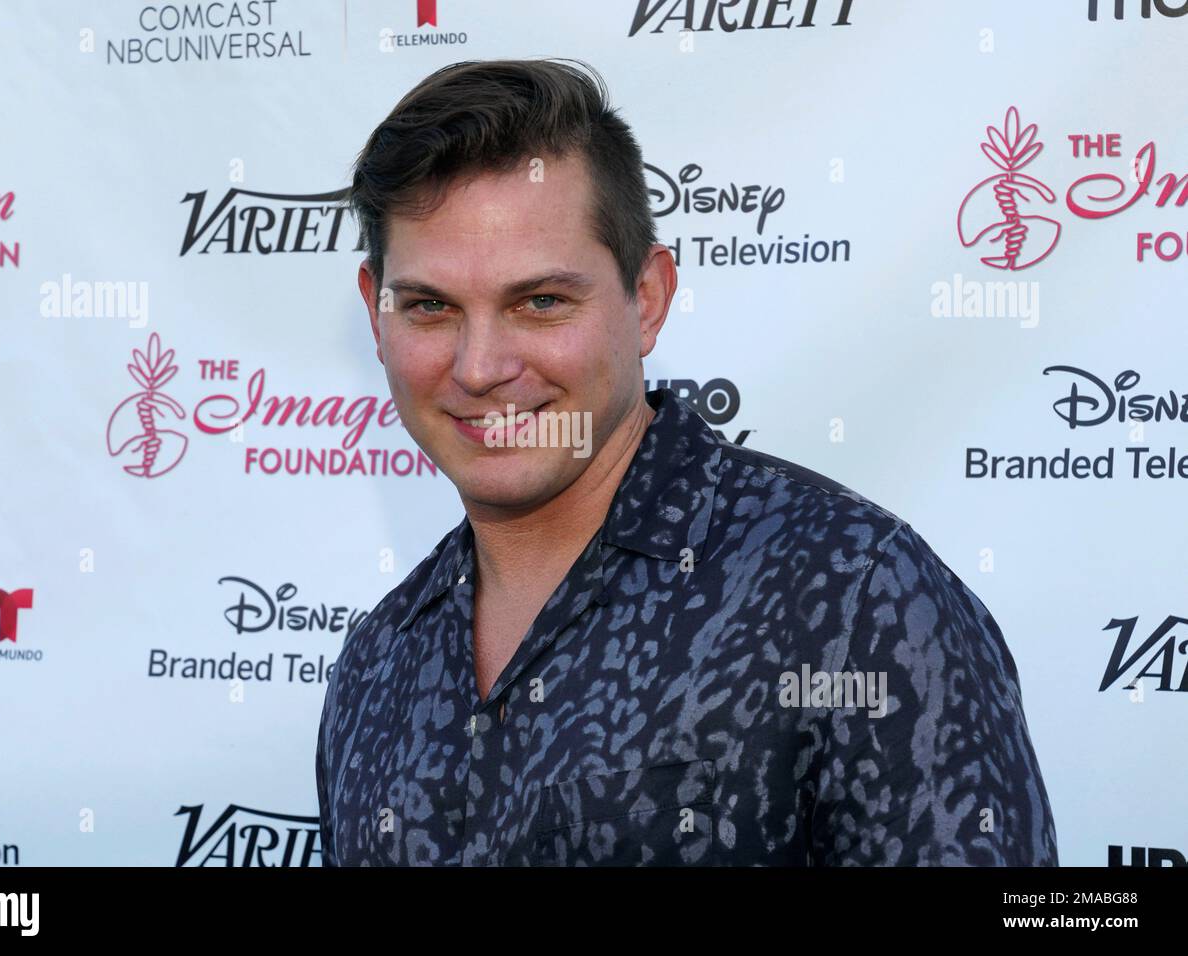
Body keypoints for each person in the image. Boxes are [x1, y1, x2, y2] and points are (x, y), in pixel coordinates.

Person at [314, 57, 1058, 866]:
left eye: (541, 302)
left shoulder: (848, 597)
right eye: (431, 307)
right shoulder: (377, 664)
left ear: (649, 300)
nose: (480, 366)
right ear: (376, 315)